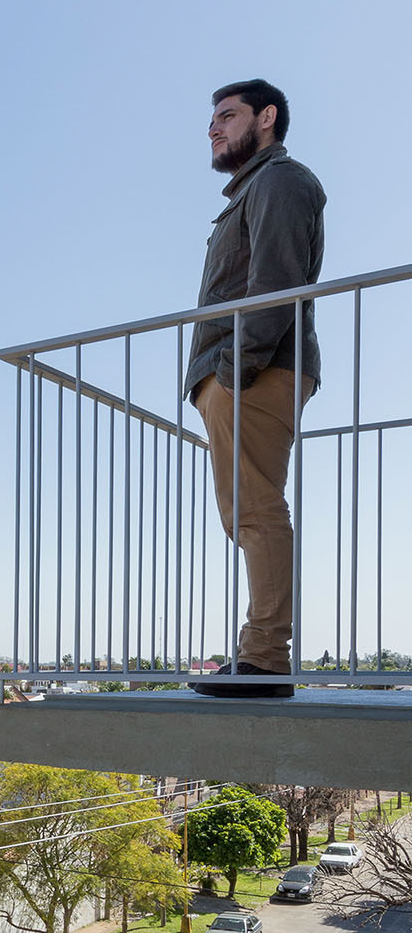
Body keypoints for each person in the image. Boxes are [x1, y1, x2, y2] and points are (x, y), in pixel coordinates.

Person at [184, 80, 325, 699]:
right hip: (243, 372)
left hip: (254, 371)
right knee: (247, 511)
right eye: (212, 119)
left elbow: (276, 283)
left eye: (227, 116)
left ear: (266, 118)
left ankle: (265, 660)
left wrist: (232, 369)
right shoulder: (254, 189)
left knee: (256, 510)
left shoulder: (279, 182)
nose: (213, 128)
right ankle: (261, 655)